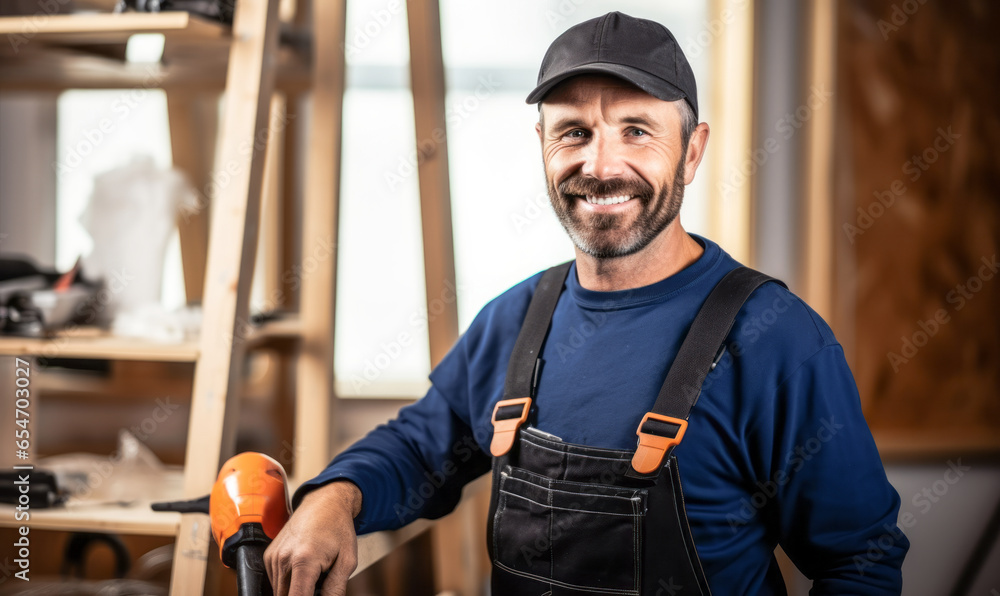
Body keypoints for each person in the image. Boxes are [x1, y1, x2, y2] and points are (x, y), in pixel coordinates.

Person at [265, 11, 908, 596]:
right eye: (574, 132)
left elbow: (860, 561)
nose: (601, 165)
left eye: (636, 130)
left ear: (692, 151)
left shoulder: (776, 340)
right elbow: (420, 446)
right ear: (541, 146)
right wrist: (334, 497)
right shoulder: (515, 322)